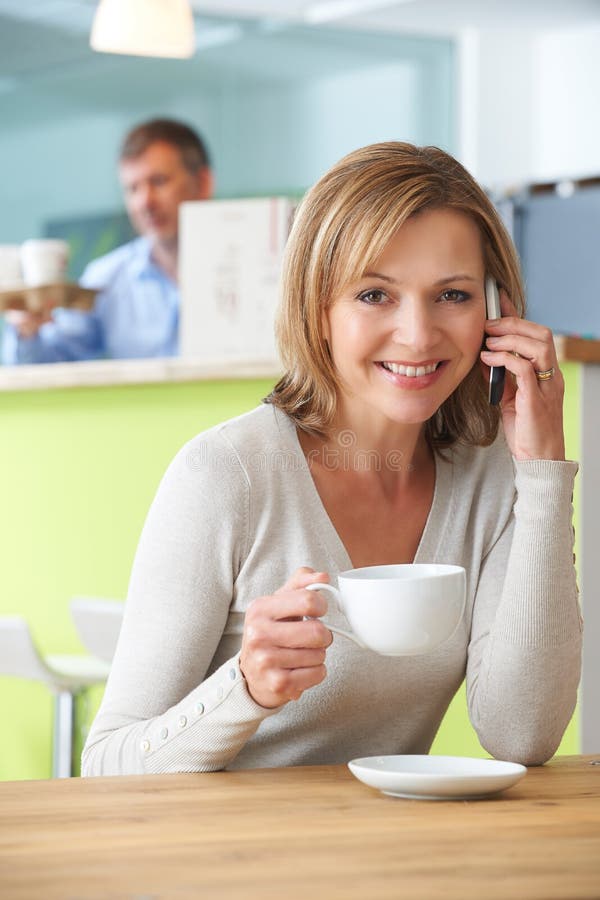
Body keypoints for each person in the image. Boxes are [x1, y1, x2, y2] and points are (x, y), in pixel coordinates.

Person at [82, 142, 582, 776]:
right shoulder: (226, 475)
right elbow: (105, 765)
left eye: (452, 296)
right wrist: (246, 689)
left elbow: (522, 734)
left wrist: (542, 472)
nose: (419, 335)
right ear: (318, 309)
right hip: (225, 865)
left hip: (382, 862)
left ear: (495, 311)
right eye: (375, 295)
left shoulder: (492, 477)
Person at [2, 118, 213, 364]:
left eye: (158, 181)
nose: (145, 202)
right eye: (133, 188)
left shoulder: (257, 266)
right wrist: (27, 332)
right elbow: (50, 361)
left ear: (203, 183)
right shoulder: (106, 279)